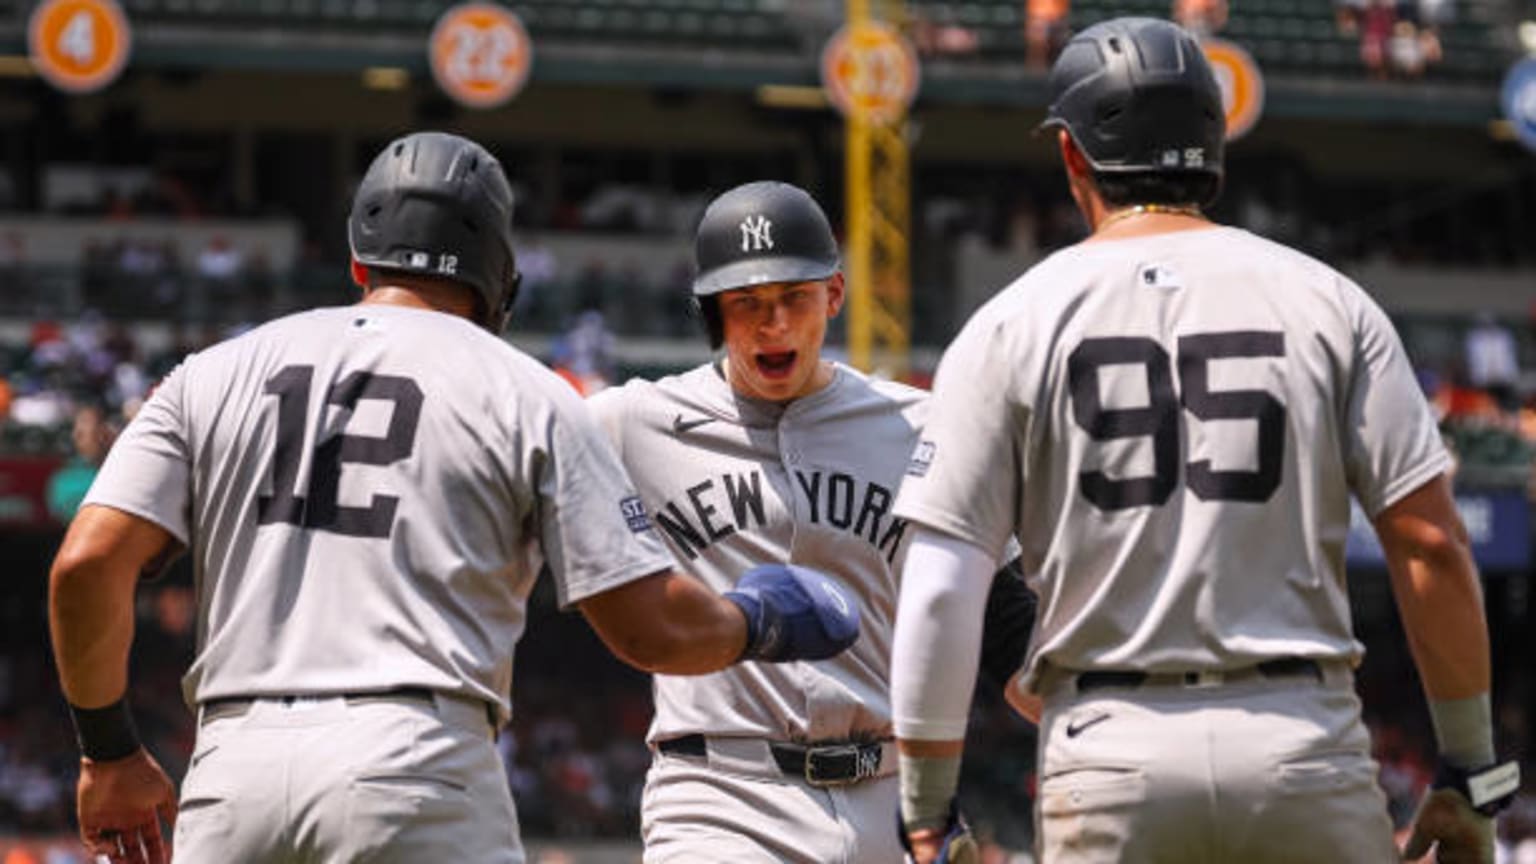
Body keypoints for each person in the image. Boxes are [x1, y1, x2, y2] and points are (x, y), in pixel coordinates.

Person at [47, 132, 861, 864]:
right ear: (498, 273)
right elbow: (651, 629)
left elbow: (85, 565)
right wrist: (761, 619)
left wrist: (107, 752)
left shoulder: (213, 373)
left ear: (360, 264)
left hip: (234, 769)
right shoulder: (525, 390)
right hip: (415, 763)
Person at [888, 18, 1520, 864]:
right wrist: (1472, 770)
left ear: (1073, 155)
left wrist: (927, 807)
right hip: (1302, 742)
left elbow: (939, 589)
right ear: (1216, 144)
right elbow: (1432, 544)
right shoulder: (1331, 301)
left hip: (1108, 749)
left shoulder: (1008, 323)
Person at [587, 180, 1037, 864]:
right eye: (746, 302)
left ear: (834, 294)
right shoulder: (632, 423)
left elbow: (1006, 627)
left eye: (794, 297)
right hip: (720, 792)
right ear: (711, 311)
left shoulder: (918, 427)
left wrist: (1111, 726)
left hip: (889, 797)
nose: (773, 324)